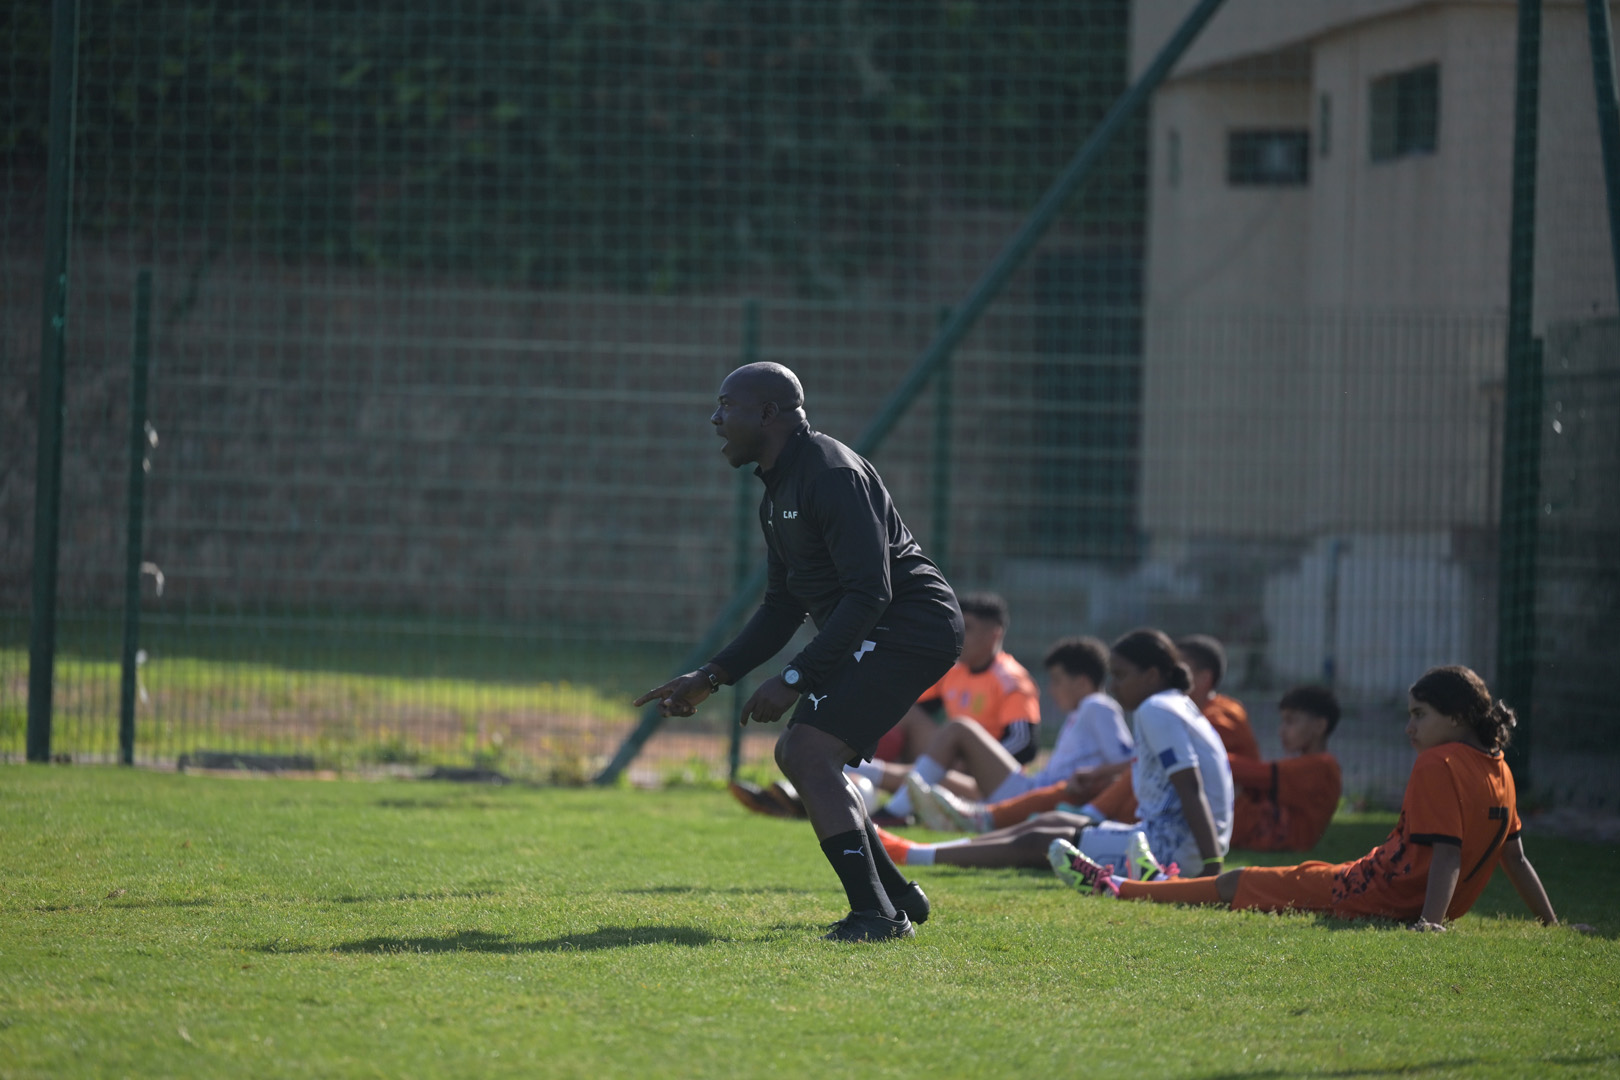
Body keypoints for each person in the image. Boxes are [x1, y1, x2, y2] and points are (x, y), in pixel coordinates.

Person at [634, 363, 962, 943]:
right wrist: (713, 674)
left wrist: (794, 676)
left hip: (912, 626)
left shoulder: (831, 475)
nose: (715, 419)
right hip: (878, 626)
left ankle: (878, 917)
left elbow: (872, 592)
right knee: (801, 754)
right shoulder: (778, 492)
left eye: (726, 405)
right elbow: (783, 606)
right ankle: (895, 897)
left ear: (768, 414)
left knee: (807, 751)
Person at [1049, 666, 1563, 932]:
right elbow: (1514, 858)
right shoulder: (1499, 768)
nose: (1409, 728)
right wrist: (1551, 924)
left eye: (1419, 715)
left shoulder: (1438, 762)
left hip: (1373, 893)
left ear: (1457, 717)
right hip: (1376, 885)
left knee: (1240, 883)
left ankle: (1120, 888)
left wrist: (1428, 922)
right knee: (1253, 879)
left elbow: (1447, 854)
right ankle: (1158, 881)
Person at [874, 629, 1233, 878]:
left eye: (1121, 676)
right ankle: (919, 846)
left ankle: (909, 852)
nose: (1114, 687)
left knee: (1041, 841)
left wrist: (1211, 864)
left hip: (1171, 853)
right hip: (1167, 840)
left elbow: (1189, 785)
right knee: (1049, 823)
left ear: (1152, 675)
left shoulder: (1155, 709)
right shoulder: (1175, 705)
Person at [905, 636, 1133, 832]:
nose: (1051, 689)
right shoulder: (1082, 711)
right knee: (941, 777)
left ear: (1082, 683)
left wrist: (1096, 775)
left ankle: (899, 810)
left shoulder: (1097, 705)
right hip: (1038, 791)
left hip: (1039, 794)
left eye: (1057, 680)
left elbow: (1128, 761)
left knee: (960, 728)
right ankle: (919, 803)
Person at [856, 593, 1043, 826]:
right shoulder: (955, 671)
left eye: (968, 628)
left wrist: (971, 762)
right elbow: (911, 710)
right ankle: (854, 764)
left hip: (982, 782)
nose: (959, 634)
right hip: (951, 764)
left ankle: (880, 796)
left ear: (994, 635)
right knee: (905, 712)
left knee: (955, 733)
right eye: (958, 626)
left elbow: (1024, 744)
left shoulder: (1011, 680)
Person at [1230, 685, 1342, 852]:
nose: (1281, 730)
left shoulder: (1322, 765)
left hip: (1274, 837)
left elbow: (1256, 774)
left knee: (1227, 783)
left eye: (1291, 721)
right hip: (1268, 831)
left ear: (1319, 726)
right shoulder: (1312, 764)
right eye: (1283, 721)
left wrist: (1209, 756)